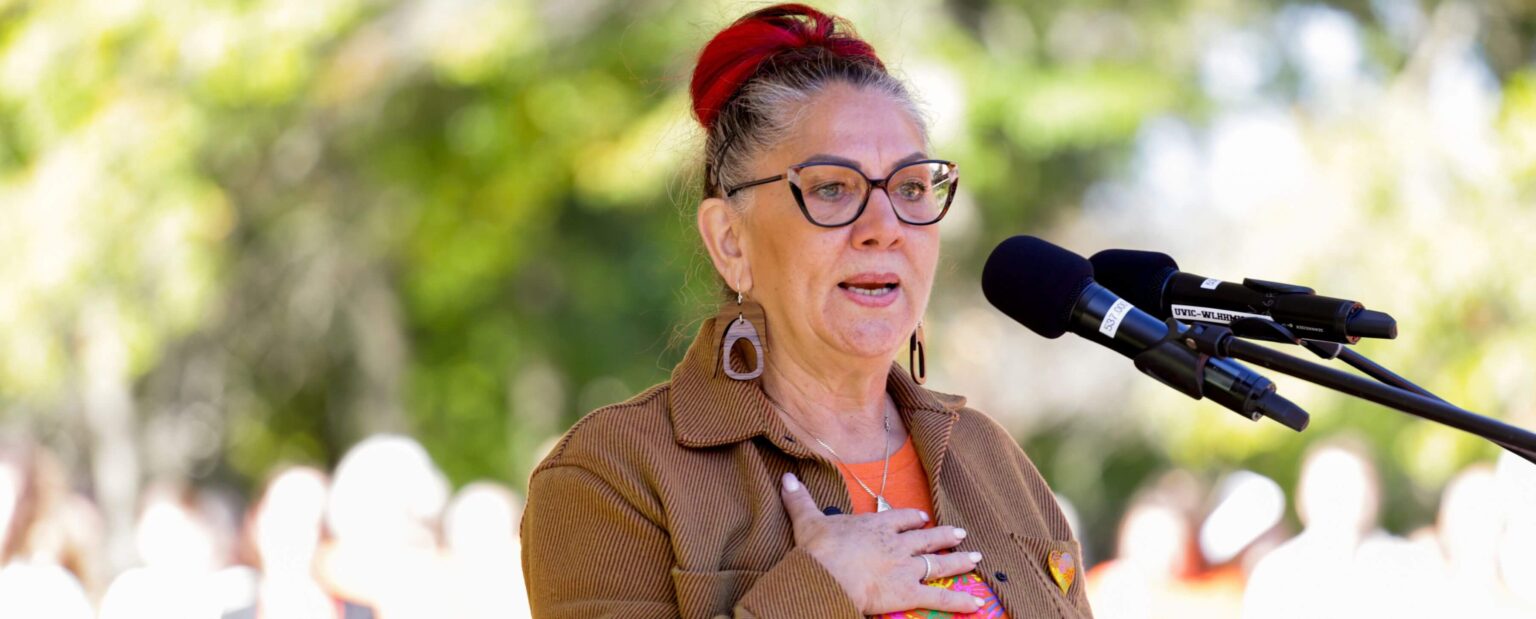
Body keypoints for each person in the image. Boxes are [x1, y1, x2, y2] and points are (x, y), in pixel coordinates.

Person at [520, 5, 1090, 617]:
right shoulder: (611, 474)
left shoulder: (990, 457)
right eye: (831, 188)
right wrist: (821, 589)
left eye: (910, 188)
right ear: (730, 242)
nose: (885, 227)